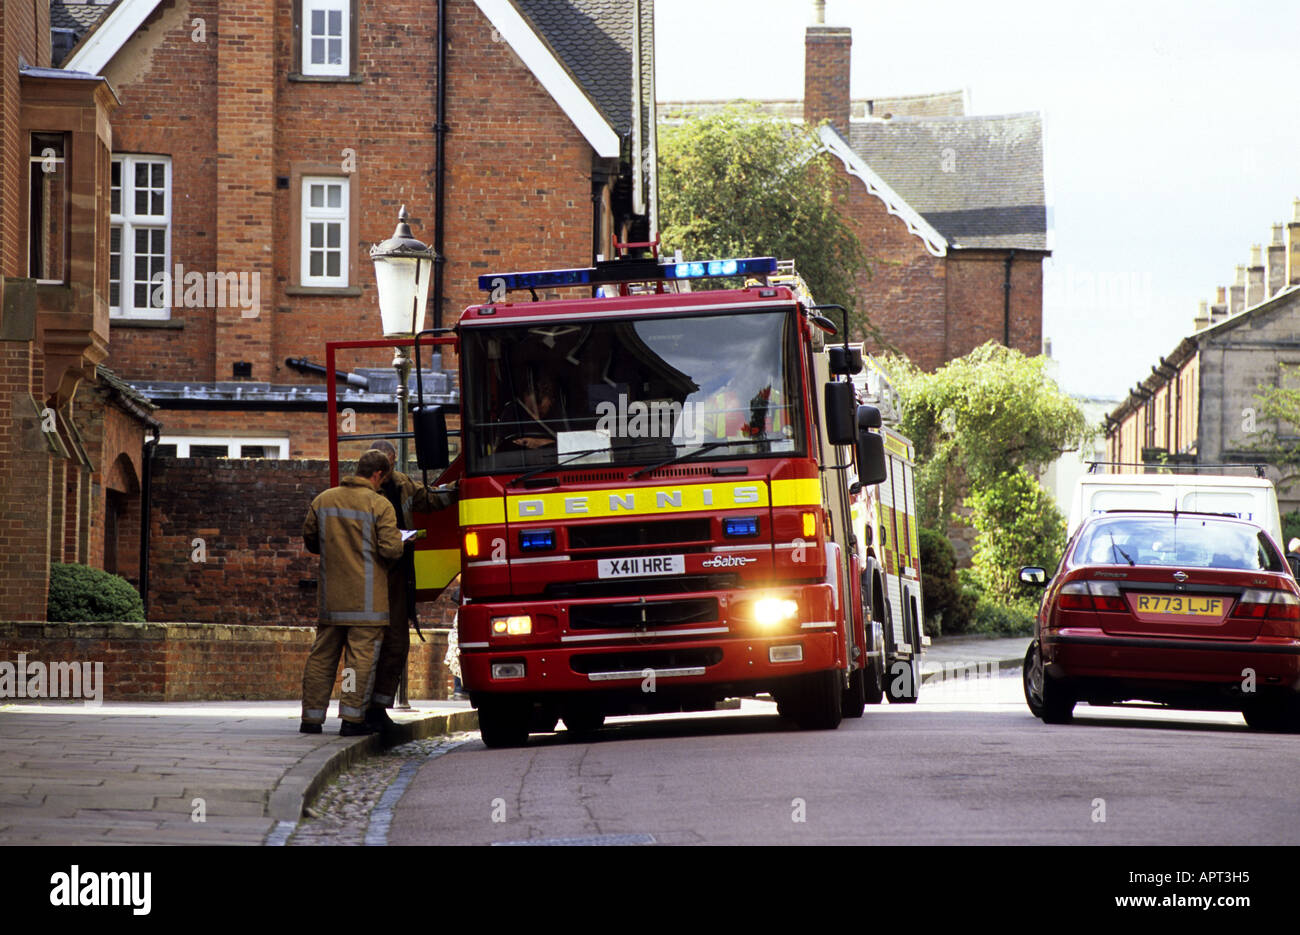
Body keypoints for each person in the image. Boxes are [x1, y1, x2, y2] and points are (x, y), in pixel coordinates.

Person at [300, 449, 404, 736]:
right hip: (367, 603)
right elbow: (391, 549)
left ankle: (311, 719)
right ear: (378, 474)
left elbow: (311, 540)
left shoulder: (324, 500)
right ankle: (351, 720)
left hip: (331, 599)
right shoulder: (379, 505)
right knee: (359, 662)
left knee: (321, 657)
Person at [364, 440, 458, 731]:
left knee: (396, 643)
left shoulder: (403, 484)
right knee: (366, 645)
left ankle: (379, 708)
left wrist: (459, 488)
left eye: (391, 464)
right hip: (369, 575)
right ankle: (360, 709)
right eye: (384, 467)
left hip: (397, 575)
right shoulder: (359, 495)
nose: (388, 471)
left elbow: (430, 499)